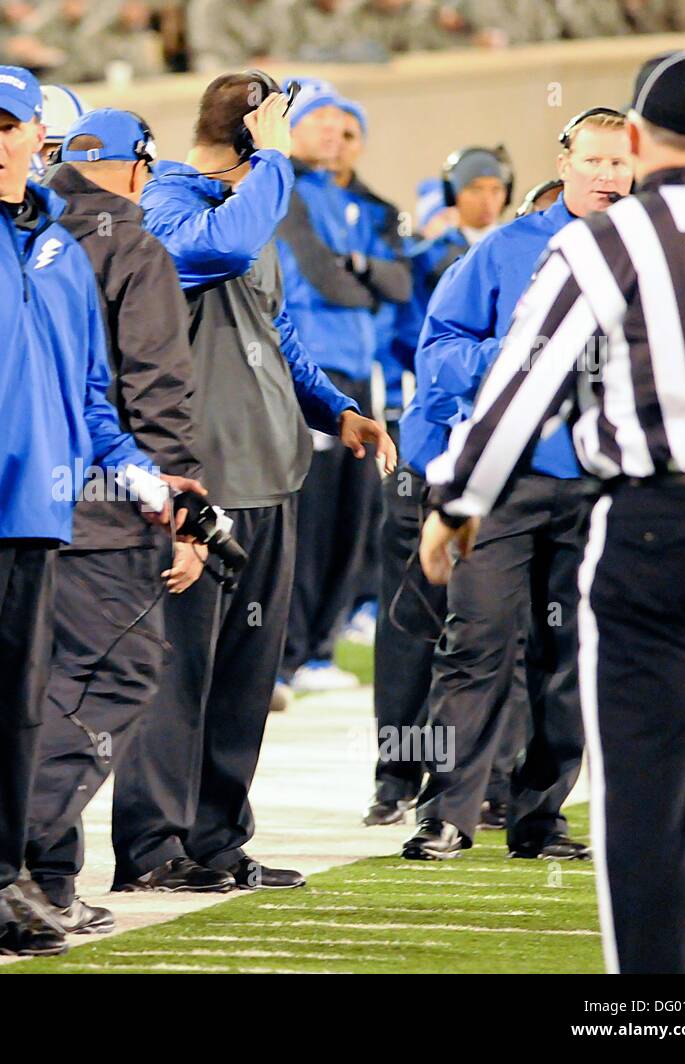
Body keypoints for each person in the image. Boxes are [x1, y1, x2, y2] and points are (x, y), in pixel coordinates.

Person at [421, 49, 685, 974]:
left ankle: (658, 1015)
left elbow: (524, 382)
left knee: (644, 801)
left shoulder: (608, 241)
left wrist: (458, 499)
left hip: (653, 530)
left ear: (639, 141)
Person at [0, 65, 202, 959]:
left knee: (13, 710)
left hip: (40, 513)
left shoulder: (58, 247)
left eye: (7, 127)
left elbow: (93, 396)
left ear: (36, 144)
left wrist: (137, 470)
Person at [112, 71, 395, 896]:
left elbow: (276, 329)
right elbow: (220, 248)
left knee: (243, 679)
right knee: (180, 672)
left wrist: (336, 408)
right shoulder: (162, 204)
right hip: (202, 483)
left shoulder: (251, 205)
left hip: (272, 477)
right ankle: (154, 847)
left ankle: (218, 840)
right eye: (275, 128)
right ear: (249, 133)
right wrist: (271, 160)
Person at [401, 106, 633, 862]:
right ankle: (446, 812)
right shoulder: (505, 249)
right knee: (477, 642)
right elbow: (438, 349)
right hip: (504, 479)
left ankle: (539, 818)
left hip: (603, 486)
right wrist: (519, 364)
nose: (606, 175)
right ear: (564, 162)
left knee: (571, 657)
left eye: (619, 162)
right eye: (593, 161)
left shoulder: (652, 254)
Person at [18, 108, 205, 934]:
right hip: (104, 502)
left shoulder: (19, 225)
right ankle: (13, 854)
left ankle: (48, 876)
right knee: (113, 673)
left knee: (35, 683)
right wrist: (179, 508)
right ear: (138, 169)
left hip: (11, 500)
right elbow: (155, 389)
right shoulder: (131, 245)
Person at [364, 148, 513, 826]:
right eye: (474, 186)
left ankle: (491, 783)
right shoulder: (442, 256)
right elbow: (415, 338)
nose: (486, 197)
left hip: (505, 464)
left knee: (494, 631)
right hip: (430, 454)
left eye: (495, 186)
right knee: (411, 623)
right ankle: (397, 775)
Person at [275, 83, 410, 695]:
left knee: (351, 516)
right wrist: (365, 279)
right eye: (318, 120)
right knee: (307, 513)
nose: (331, 132)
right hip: (309, 373)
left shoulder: (367, 204)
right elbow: (325, 279)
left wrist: (362, 275)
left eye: (342, 121)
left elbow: (402, 284)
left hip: (358, 374)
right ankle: (287, 650)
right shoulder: (285, 192)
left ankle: (319, 651)